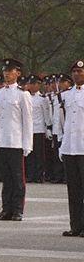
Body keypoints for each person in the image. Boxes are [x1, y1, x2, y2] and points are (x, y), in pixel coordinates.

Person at [0, 58, 33, 222]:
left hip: (15, 141)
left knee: (17, 178)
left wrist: (27, 144)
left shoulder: (23, 94)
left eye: (10, 71)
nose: (7, 74)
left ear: (18, 73)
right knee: (6, 178)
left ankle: (17, 209)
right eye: (5, 71)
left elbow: (27, 121)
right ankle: (6, 209)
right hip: (0, 141)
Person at [59, 60, 84, 237]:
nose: (77, 74)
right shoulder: (66, 94)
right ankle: (76, 226)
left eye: (80, 71)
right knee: (73, 190)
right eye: (74, 71)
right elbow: (62, 121)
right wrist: (61, 144)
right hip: (69, 147)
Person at [25, 75, 52, 183]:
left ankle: (39, 175)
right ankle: (30, 175)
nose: (31, 86)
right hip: (28, 130)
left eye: (34, 84)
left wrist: (48, 127)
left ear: (38, 85)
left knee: (39, 154)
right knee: (29, 154)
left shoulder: (42, 99)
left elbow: (46, 114)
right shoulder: (25, 96)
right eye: (30, 83)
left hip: (39, 129)